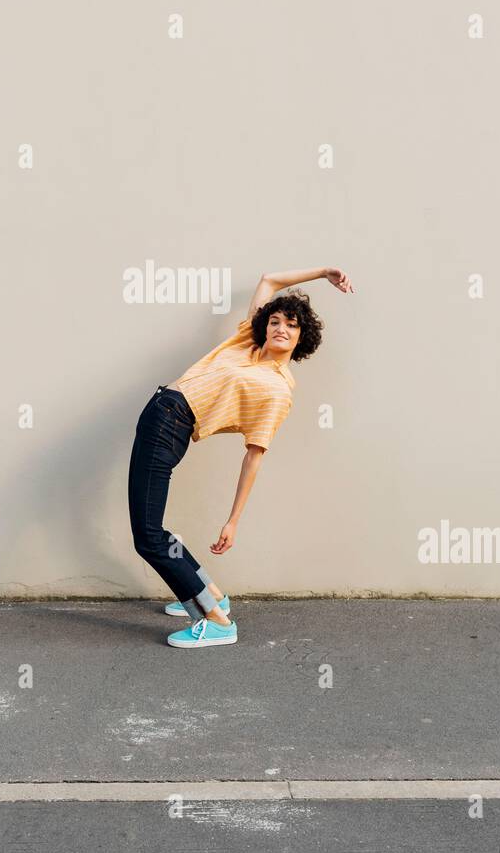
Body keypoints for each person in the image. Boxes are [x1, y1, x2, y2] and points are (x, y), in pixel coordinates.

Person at [127, 267, 354, 649]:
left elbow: (254, 455)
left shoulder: (277, 390)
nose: (281, 327)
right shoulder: (247, 340)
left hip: (172, 426)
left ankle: (215, 621)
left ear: (302, 339)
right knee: (153, 530)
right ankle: (212, 594)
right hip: (159, 413)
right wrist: (324, 272)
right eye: (276, 320)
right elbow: (268, 280)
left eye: (292, 325)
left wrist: (233, 520)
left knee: (148, 536)